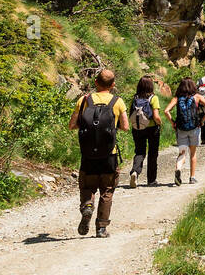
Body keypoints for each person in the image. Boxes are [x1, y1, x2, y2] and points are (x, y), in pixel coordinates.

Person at [68, 69, 128, 237]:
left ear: (95, 82)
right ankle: (101, 228)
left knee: (87, 186)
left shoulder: (84, 100)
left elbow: (72, 125)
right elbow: (125, 126)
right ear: (113, 85)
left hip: (88, 154)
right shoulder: (118, 102)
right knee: (107, 190)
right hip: (110, 154)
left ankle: (87, 205)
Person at [165, 76, 205, 185]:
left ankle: (178, 169)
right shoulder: (197, 97)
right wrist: (202, 120)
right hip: (194, 128)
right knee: (193, 153)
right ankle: (192, 177)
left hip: (181, 129)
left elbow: (166, 111)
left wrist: (173, 123)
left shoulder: (176, 98)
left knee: (182, 152)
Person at [128, 76, 162, 188]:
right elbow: (156, 116)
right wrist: (159, 123)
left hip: (137, 129)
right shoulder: (153, 98)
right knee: (153, 154)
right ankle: (151, 180)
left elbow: (130, 114)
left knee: (140, 152)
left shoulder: (135, 98)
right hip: (152, 128)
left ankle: (135, 172)